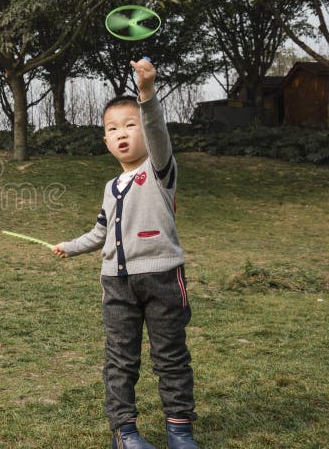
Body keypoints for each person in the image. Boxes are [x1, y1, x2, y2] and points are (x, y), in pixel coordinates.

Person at [52, 58, 198, 449]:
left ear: (147, 134)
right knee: (121, 360)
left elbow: (156, 126)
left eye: (130, 126)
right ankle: (125, 432)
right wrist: (70, 247)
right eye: (112, 129)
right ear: (105, 141)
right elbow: (101, 231)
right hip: (116, 285)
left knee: (170, 358)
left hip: (163, 279)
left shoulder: (160, 170)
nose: (122, 134)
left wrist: (146, 93)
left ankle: (180, 430)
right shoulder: (110, 186)